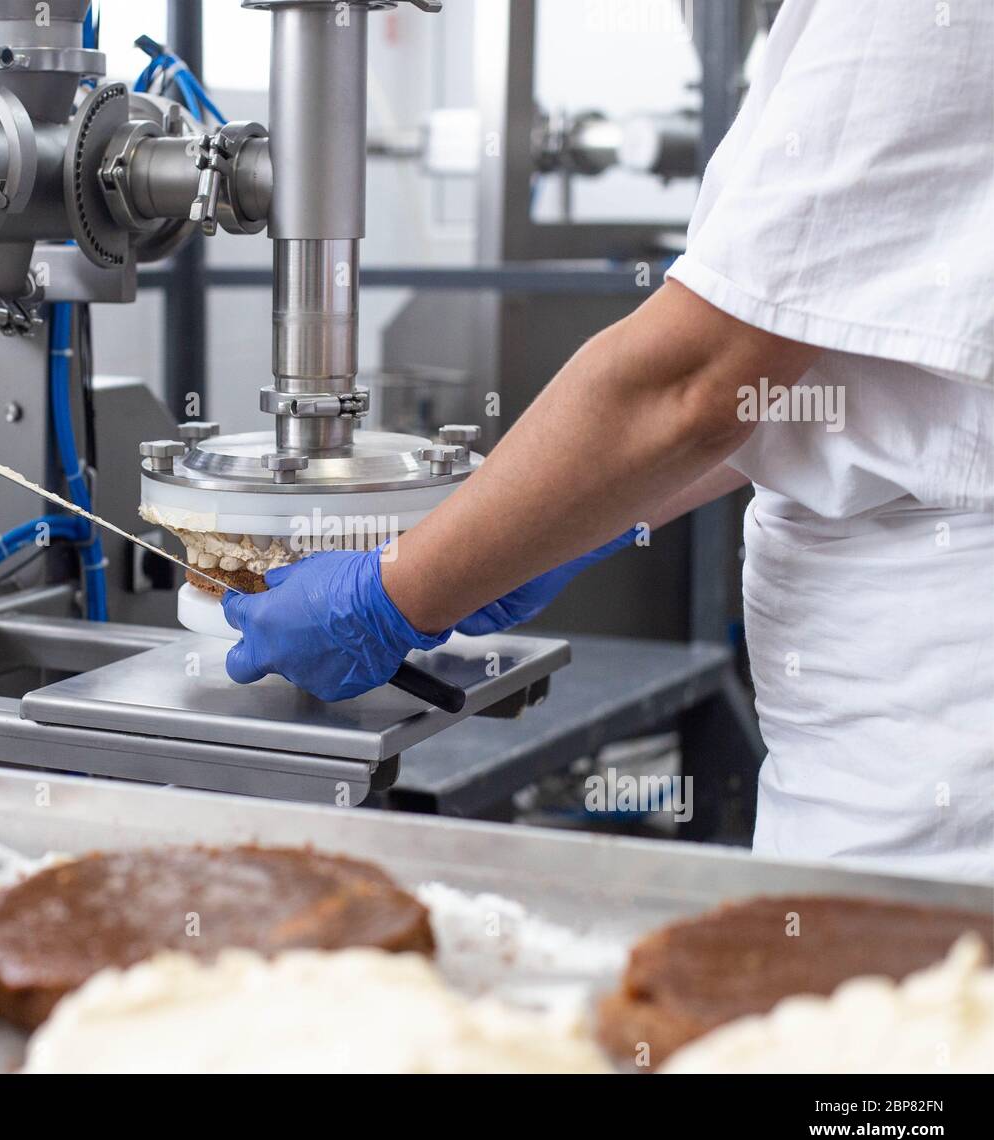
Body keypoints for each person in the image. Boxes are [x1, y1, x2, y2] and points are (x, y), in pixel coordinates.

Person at [222, 0, 993, 882]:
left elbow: (693, 382)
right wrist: (531, 533)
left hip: (940, 744)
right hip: (881, 729)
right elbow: (812, 374)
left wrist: (393, 594)